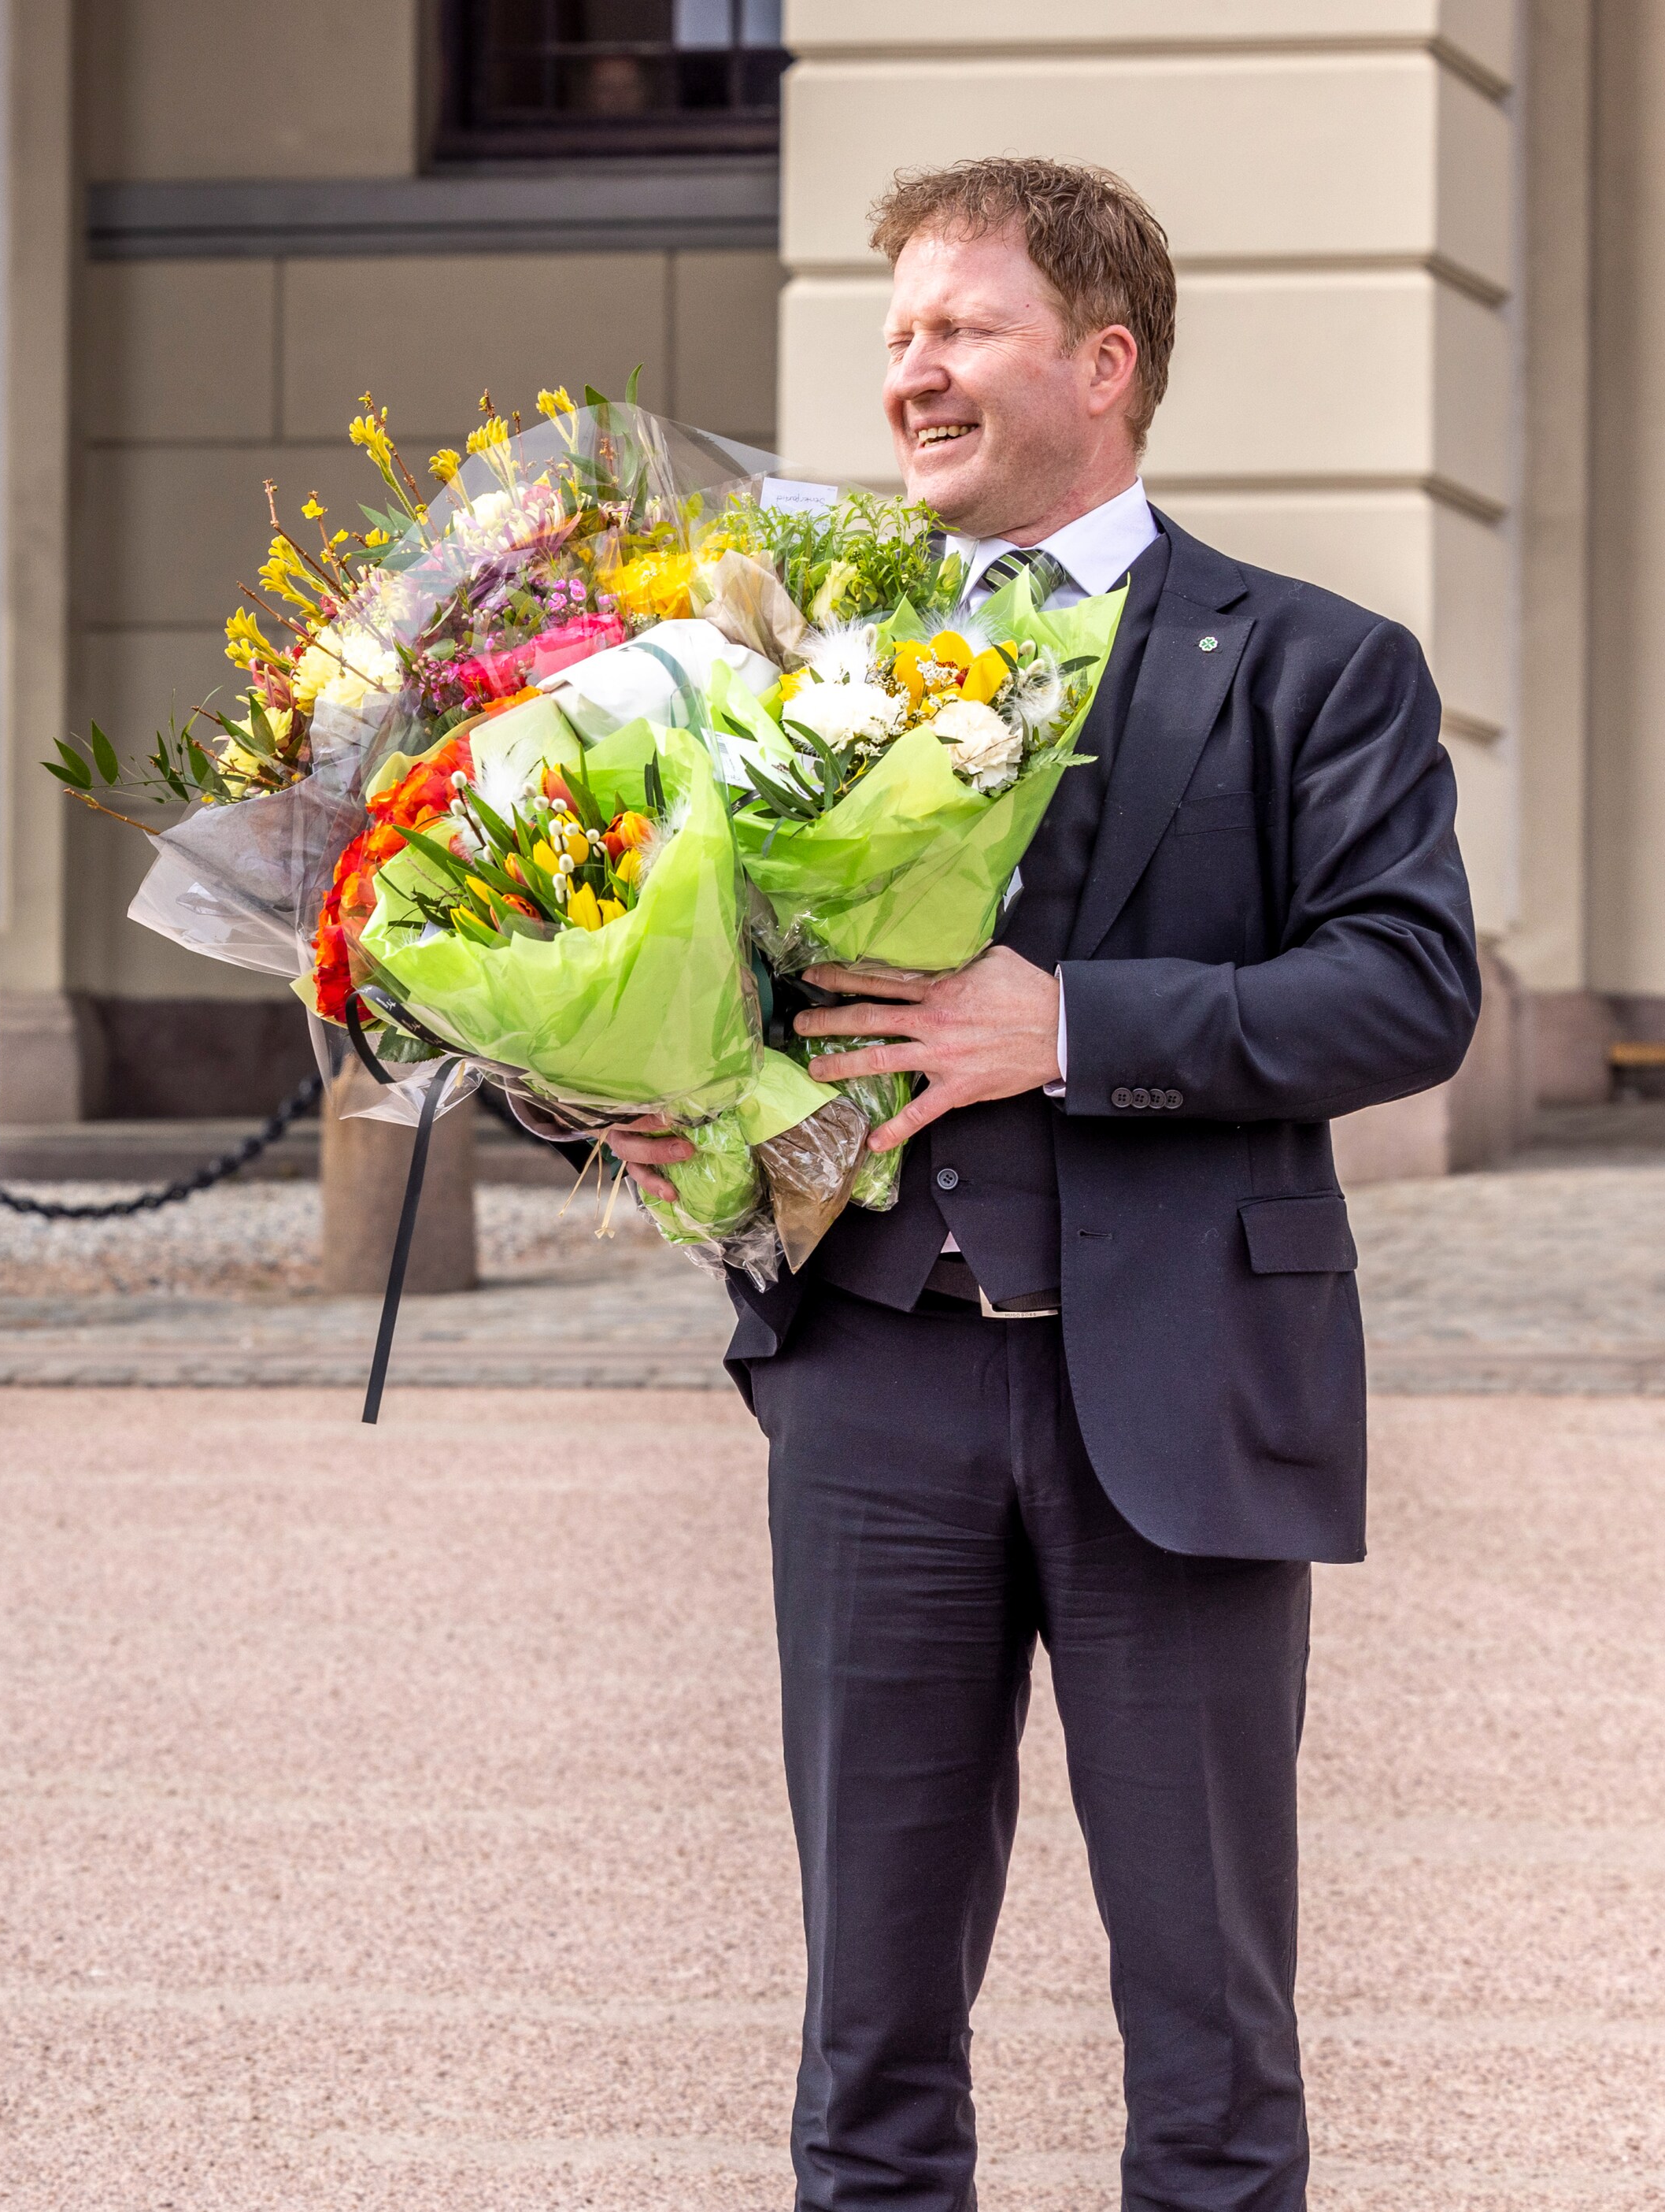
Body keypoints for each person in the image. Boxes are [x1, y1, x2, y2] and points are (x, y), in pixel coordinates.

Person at [611, 160, 1478, 2210]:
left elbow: (1409, 983)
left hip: (1181, 1383)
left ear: (1106, 362)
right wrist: (619, 1099)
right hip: (873, 1379)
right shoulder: (781, 660)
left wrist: (1069, 1025)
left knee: (1208, 2019)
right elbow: (679, 959)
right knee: (870, 2024)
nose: (913, 367)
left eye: (963, 327)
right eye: (900, 330)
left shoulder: (1311, 665)